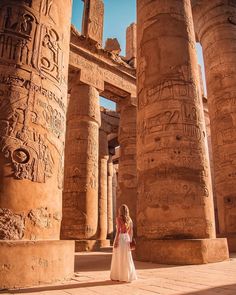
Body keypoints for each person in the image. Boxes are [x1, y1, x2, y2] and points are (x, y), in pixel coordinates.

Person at [110, 204, 137, 282]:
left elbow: (118, 231)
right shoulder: (129, 219)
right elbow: (130, 231)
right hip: (127, 239)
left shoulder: (118, 219)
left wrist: (116, 241)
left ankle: (118, 276)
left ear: (120, 211)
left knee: (119, 257)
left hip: (121, 238)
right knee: (126, 257)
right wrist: (130, 240)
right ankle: (127, 276)